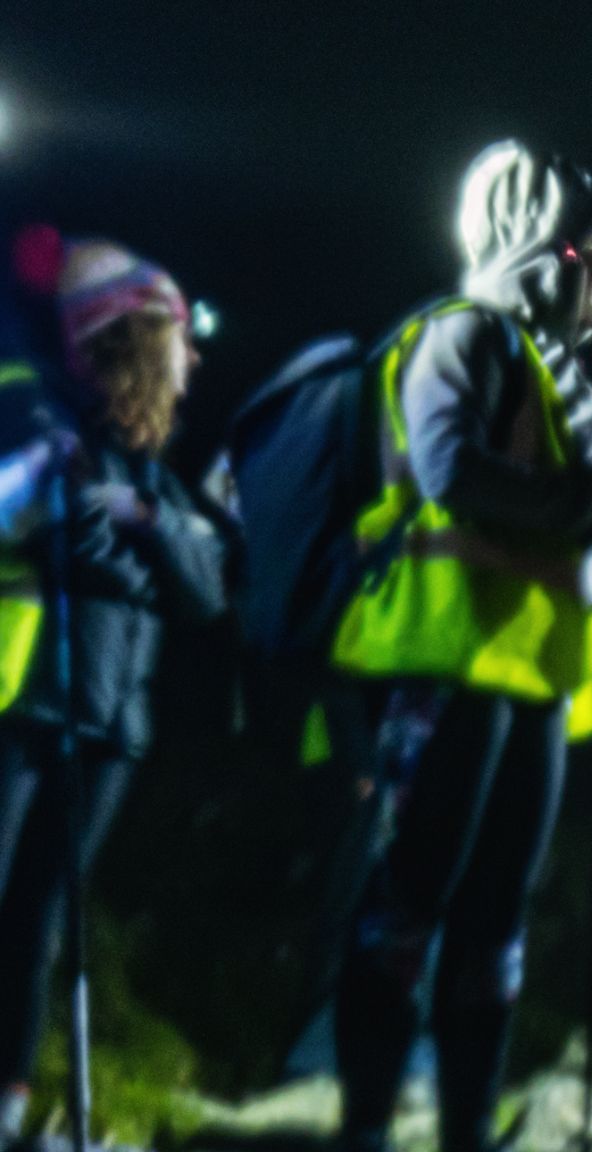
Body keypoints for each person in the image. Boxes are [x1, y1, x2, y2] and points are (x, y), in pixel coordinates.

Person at [326, 142, 592, 1152]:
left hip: (531, 676)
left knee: (495, 922)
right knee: (409, 903)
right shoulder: (462, 333)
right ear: (550, 254)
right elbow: (446, 468)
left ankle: (466, 1133)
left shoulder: (563, 376)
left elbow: (568, 519)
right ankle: (368, 1127)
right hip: (444, 662)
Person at [0, 234, 229, 1142]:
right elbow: (74, 542)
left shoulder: (151, 472)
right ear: (131, 341)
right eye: (178, 335)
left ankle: (7, 1107)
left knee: (41, 923)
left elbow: (209, 595)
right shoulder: (47, 424)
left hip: (110, 726)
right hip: (26, 703)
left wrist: (144, 520)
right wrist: (157, 550)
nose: (193, 357)